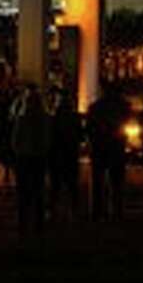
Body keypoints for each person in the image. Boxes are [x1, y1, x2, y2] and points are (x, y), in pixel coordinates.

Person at [11, 84, 51, 236]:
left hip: (24, 158)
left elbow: (15, 140)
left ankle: (23, 222)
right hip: (38, 158)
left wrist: (19, 151)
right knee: (38, 190)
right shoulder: (45, 119)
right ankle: (38, 223)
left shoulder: (21, 119)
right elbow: (48, 139)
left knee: (23, 192)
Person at [87, 83, 129, 222]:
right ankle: (116, 211)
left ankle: (97, 211)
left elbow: (89, 128)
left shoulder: (95, 108)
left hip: (99, 147)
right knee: (116, 182)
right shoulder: (122, 106)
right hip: (116, 147)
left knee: (97, 182)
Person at [48, 89, 81, 221]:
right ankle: (73, 210)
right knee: (71, 184)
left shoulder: (53, 118)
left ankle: (53, 210)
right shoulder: (75, 118)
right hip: (70, 154)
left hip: (56, 154)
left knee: (55, 185)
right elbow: (80, 136)